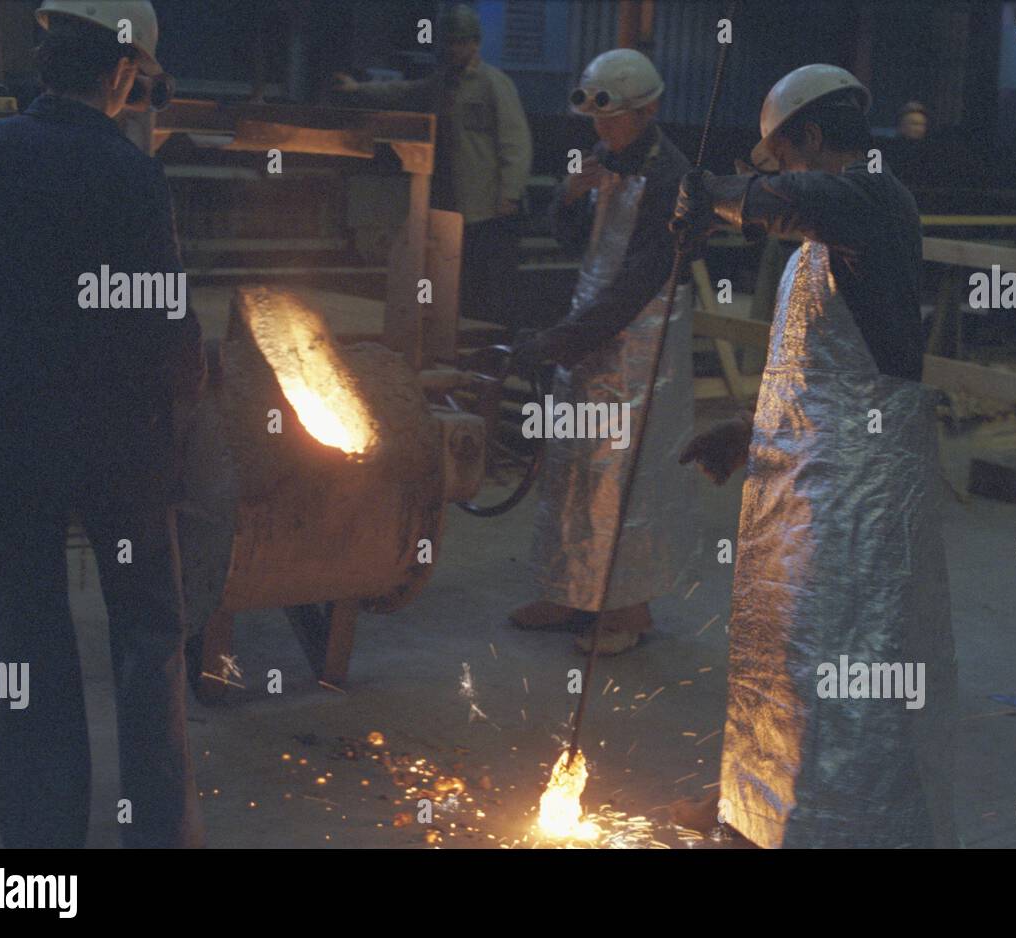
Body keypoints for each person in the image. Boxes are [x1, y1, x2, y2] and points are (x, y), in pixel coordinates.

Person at [0, 0, 205, 847]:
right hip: (122, 437)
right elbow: (165, 317)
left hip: (13, 427)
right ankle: (158, 832)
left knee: (31, 628)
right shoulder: (132, 175)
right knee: (149, 628)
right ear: (123, 70)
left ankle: (43, 840)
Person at [671, 65, 957, 847]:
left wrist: (713, 194)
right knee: (780, 652)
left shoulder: (872, 198)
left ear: (815, 139)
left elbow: (788, 200)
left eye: (784, 156)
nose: (782, 174)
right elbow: (814, 364)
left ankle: (838, 830)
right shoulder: (827, 234)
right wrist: (748, 432)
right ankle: (751, 801)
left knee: (839, 665)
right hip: (802, 474)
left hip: (858, 490)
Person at [507, 49, 697, 656]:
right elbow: (567, 236)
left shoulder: (672, 178)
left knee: (625, 476)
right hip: (591, 325)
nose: (601, 129)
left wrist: (555, 343)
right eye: (596, 118)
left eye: (612, 119)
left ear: (648, 110)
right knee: (575, 465)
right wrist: (569, 195)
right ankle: (569, 590)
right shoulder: (603, 161)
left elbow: (635, 284)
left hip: (639, 338)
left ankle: (626, 611)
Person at [333, 4, 532, 332]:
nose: (453, 48)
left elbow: (516, 142)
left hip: (487, 209)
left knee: (486, 284)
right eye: (449, 42)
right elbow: (403, 92)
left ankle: (488, 341)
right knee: (452, 281)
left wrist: (510, 193)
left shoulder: (494, 84)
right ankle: (453, 337)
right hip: (453, 204)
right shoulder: (441, 84)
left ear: (474, 44)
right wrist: (358, 90)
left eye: (459, 42)